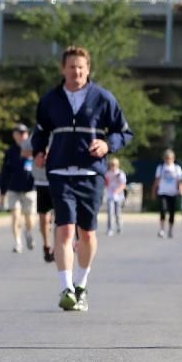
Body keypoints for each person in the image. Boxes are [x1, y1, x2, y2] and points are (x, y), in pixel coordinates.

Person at [32, 46, 132, 312]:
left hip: (91, 173)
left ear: (88, 69)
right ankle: (65, 288)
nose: (76, 71)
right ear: (63, 69)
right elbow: (40, 131)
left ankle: (81, 285)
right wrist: (39, 151)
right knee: (64, 229)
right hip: (60, 172)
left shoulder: (102, 98)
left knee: (86, 233)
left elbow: (124, 131)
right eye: (71, 66)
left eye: (80, 67)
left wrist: (107, 144)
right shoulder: (51, 99)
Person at [0, 124, 36, 252]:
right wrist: (2, 193)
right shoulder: (10, 152)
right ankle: (18, 243)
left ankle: (29, 232)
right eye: (19, 133)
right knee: (15, 216)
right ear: (14, 135)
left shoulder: (33, 149)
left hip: (30, 188)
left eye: (24, 133)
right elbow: (4, 173)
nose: (22, 135)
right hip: (13, 188)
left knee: (29, 216)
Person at [153, 149, 182, 238]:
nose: (168, 160)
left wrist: (181, 189)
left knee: (172, 212)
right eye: (167, 158)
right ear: (164, 158)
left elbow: (179, 181)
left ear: (173, 158)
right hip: (163, 192)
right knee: (163, 210)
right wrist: (154, 191)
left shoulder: (177, 168)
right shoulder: (161, 168)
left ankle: (170, 230)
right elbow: (157, 180)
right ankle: (162, 229)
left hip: (173, 192)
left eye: (170, 158)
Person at [33, 143, 56, 263]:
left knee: (61, 219)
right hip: (42, 183)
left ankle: (58, 247)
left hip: (58, 181)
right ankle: (47, 246)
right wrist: (38, 154)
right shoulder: (39, 134)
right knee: (44, 219)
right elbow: (25, 150)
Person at [104, 157, 127, 236]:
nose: (113, 167)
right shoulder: (108, 173)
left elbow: (123, 185)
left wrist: (117, 191)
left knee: (117, 213)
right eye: (112, 165)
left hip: (119, 196)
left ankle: (119, 226)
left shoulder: (120, 173)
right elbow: (106, 183)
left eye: (114, 165)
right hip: (110, 195)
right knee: (110, 212)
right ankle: (109, 229)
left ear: (117, 165)